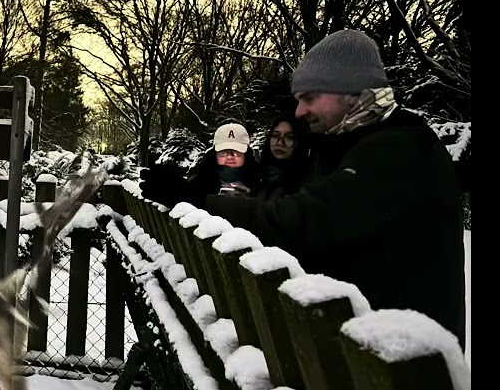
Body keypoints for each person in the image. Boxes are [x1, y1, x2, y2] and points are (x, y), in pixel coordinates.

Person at [197, 29, 466, 347]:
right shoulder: (343, 146)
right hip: (360, 350)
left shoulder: (399, 147)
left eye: (309, 98)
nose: (299, 112)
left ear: (351, 92)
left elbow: (302, 221)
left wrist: (199, 201)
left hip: (403, 363)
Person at [253, 113, 311, 200]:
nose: (280, 143)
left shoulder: (308, 185)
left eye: (289, 137)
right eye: (275, 136)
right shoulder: (258, 175)